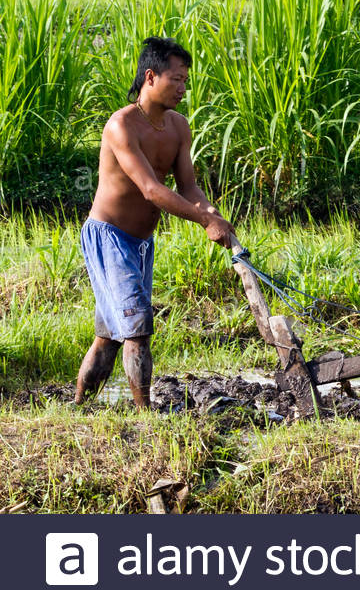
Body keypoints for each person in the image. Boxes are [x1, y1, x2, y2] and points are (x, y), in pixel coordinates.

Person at [74, 36, 237, 408]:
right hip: (109, 238)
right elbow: (149, 189)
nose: (182, 88)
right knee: (137, 328)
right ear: (150, 77)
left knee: (112, 336)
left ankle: (79, 405)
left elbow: (189, 186)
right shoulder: (122, 126)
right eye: (175, 79)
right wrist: (200, 219)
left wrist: (211, 214)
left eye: (185, 81)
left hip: (141, 242)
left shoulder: (178, 127)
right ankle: (144, 414)